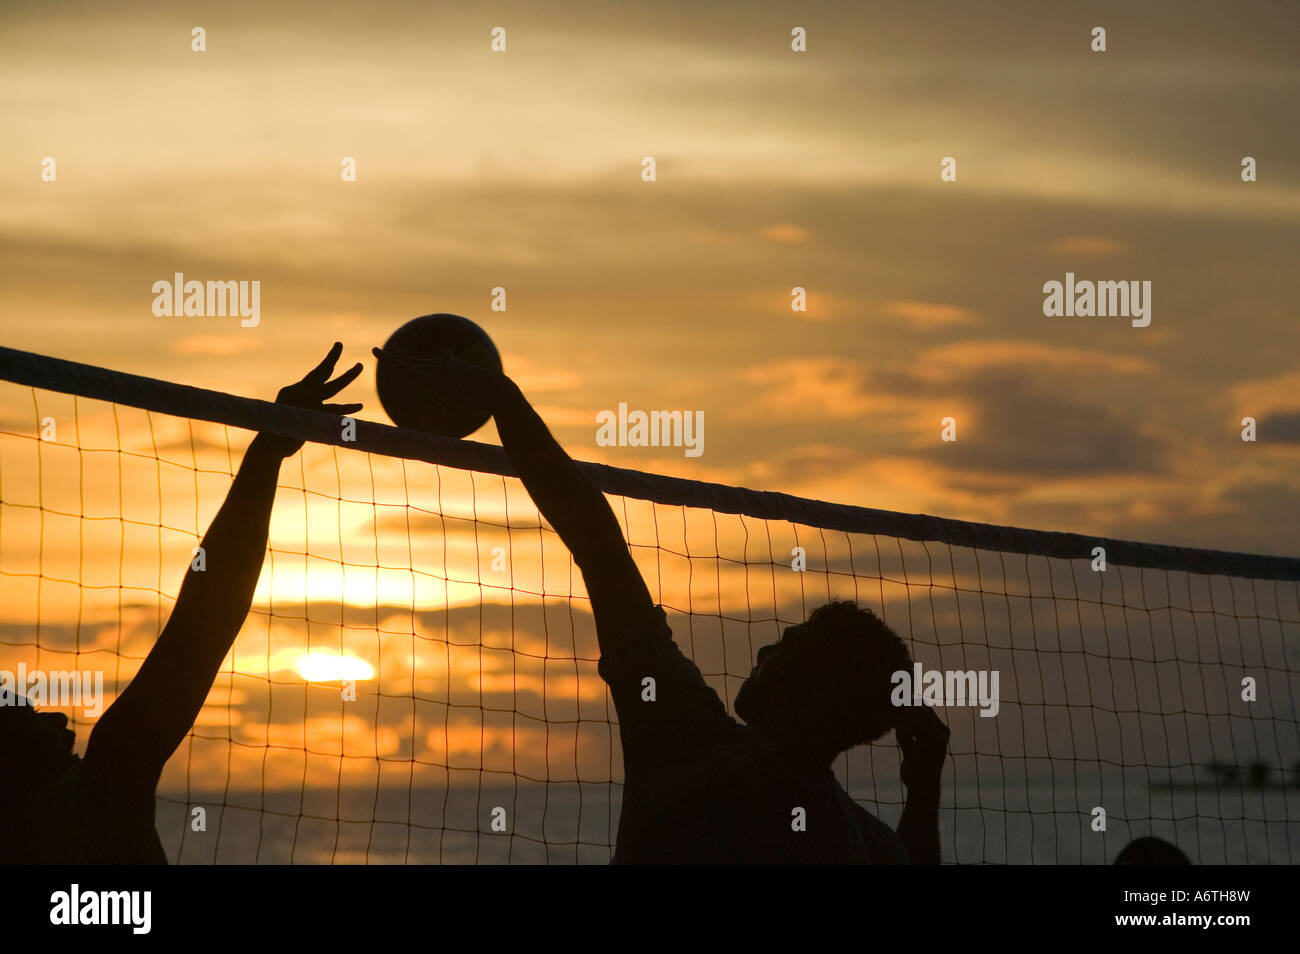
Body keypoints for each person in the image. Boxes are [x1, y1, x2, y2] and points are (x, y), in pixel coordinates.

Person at [375, 347, 950, 863]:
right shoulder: (857, 839)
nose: (766, 645)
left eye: (788, 646)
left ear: (814, 689)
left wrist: (503, 398)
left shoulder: (686, 739)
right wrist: (923, 788)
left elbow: (599, 547)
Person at [0, 344, 362, 863]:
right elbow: (201, 629)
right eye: (27, 714)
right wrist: (266, 453)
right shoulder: (93, 798)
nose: (58, 716)